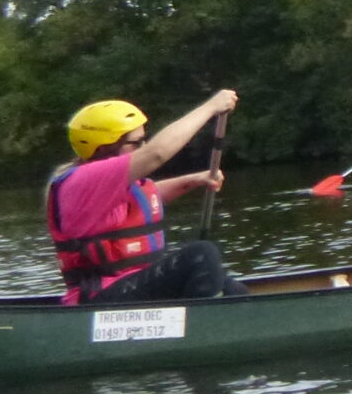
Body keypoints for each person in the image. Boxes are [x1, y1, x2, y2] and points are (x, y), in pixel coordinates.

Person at [47, 92, 249, 304]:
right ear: (105, 147)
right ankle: (204, 327)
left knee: (233, 289)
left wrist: (193, 180)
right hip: (100, 298)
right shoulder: (84, 179)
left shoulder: (104, 183)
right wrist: (211, 107)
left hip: (129, 287)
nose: (143, 147)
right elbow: (157, 154)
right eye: (137, 142)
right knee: (201, 254)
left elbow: (141, 200)